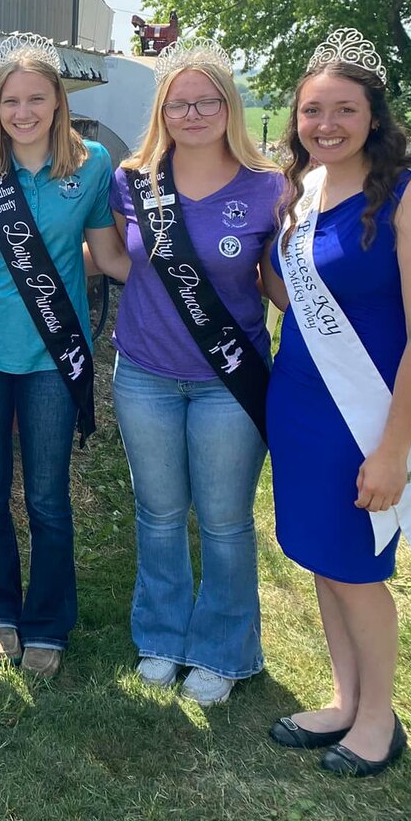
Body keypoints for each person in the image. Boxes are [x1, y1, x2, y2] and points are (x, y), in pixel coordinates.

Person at [263, 28, 411, 777]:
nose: (326, 125)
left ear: (374, 115)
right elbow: (298, 296)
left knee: (358, 568)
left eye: (343, 109)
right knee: (322, 557)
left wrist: (392, 450)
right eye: (312, 111)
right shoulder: (305, 190)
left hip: (368, 418)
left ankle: (379, 720)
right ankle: (346, 698)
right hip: (301, 409)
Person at [108, 37, 283, 706]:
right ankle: (161, 638)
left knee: (224, 519)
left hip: (228, 380)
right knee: (157, 514)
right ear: (163, 109)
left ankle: (223, 650)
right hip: (145, 372)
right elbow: (119, 259)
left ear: (229, 106)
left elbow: (277, 281)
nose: (193, 111)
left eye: (207, 100)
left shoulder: (268, 187)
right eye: (180, 102)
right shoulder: (133, 180)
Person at [0, 32, 128, 678]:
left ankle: (49, 621)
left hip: (55, 354)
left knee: (50, 496)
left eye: (36, 99)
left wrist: (185, 269)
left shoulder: (92, 166)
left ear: (57, 102)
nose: (23, 112)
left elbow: (108, 256)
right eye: (11, 102)